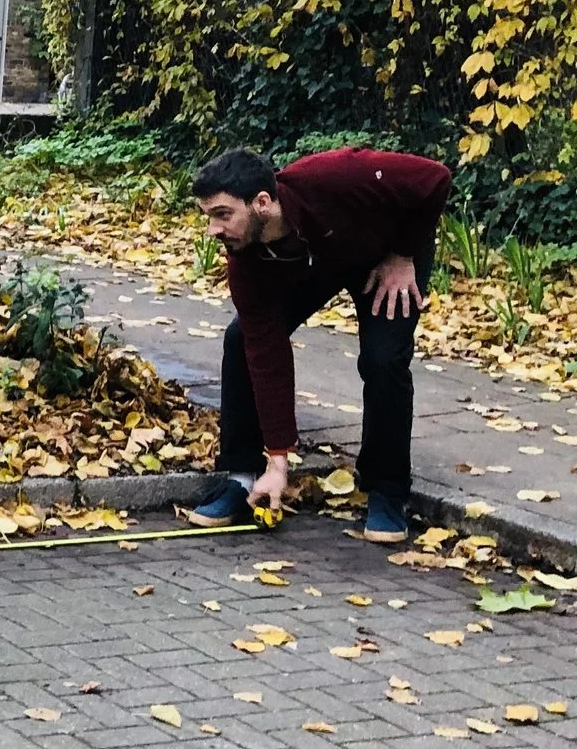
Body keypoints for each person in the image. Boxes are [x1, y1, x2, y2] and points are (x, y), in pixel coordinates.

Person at [179, 145, 453, 545]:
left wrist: (404, 252)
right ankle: (241, 477)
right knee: (242, 339)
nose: (213, 231)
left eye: (223, 215)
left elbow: (435, 178)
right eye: (209, 218)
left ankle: (387, 490)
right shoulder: (247, 261)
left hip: (386, 257)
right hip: (311, 261)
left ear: (262, 203)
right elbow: (268, 355)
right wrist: (278, 460)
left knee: (383, 360)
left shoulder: (335, 176)